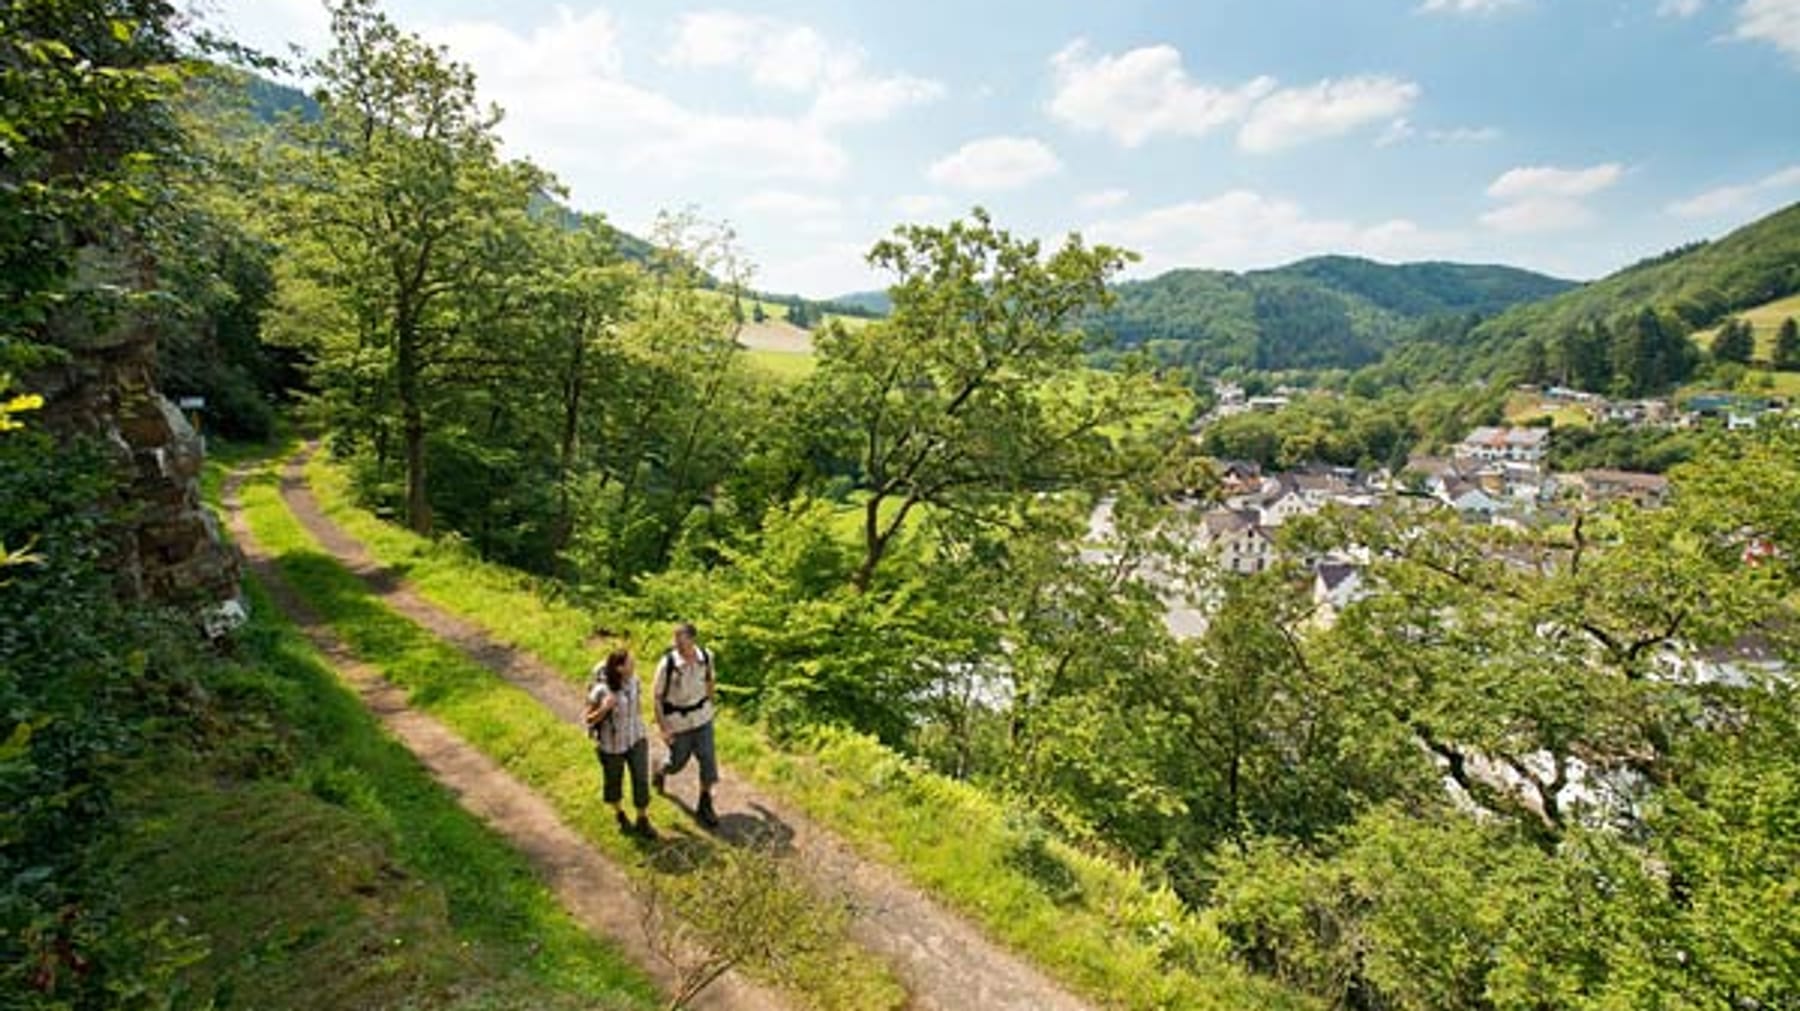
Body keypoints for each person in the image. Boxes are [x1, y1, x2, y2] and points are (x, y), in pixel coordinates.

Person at [651, 622, 720, 827]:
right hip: (678, 722)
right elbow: (656, 697)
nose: (677, 646)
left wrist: (710, 701)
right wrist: (663, 728)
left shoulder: (706, 657)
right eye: (675, 641)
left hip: (702, 717)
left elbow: (709, 680)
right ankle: (659, 769)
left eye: (681, 641)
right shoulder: (668, 664)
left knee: (708, 759)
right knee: (677, 763)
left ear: (692, 639)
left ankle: (705, 804)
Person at [586, 648, 654, 837]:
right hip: (612, 745)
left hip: (637, 738)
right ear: (619, 668)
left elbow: (637, 705)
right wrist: (604, 708)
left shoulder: (635, 681)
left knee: (641, 779)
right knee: (613, 782)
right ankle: (619, 813)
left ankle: (642, 818)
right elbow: (589, 719)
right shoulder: (601, 690)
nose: (634, 666)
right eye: (630, 663)